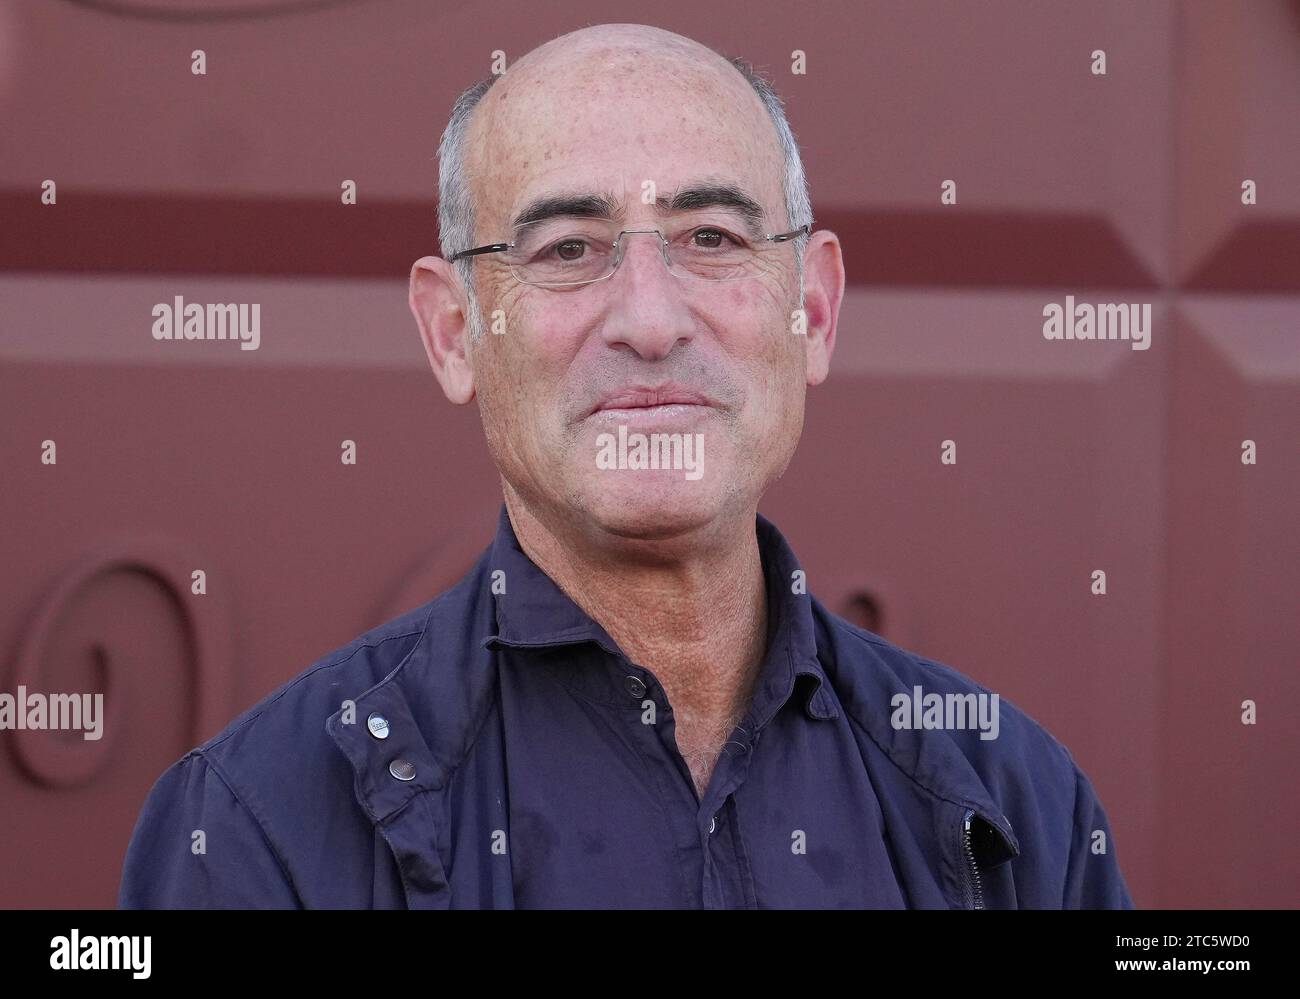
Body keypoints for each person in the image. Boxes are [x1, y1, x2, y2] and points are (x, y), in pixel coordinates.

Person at [118, 22, 1133, 909]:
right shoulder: (262, 819)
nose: (650, 322)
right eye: (567, 248)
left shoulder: (1008, 798)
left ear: (812, 311)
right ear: (454, 332)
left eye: (711, 236)